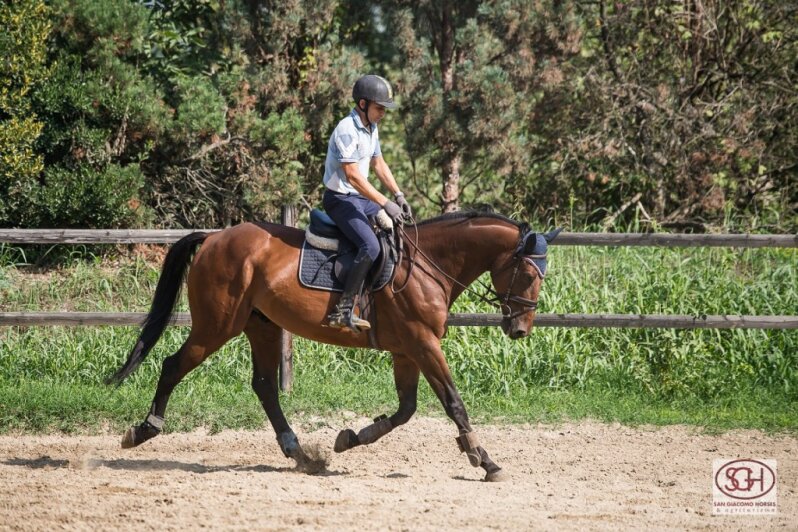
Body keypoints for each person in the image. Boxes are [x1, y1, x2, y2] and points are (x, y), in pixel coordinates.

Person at [322, 74, 412, 332]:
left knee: (396, 229)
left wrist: (398, 195)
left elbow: (378, 164)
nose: (383, 113)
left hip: (360, 199)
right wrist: (384, 202)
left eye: (384, 109)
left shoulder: (371, 127)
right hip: (340, 199)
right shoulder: (346, 130)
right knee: (370, 246)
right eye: (379, 108)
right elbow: (353, 176)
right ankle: (343, 310)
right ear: (363, 104)